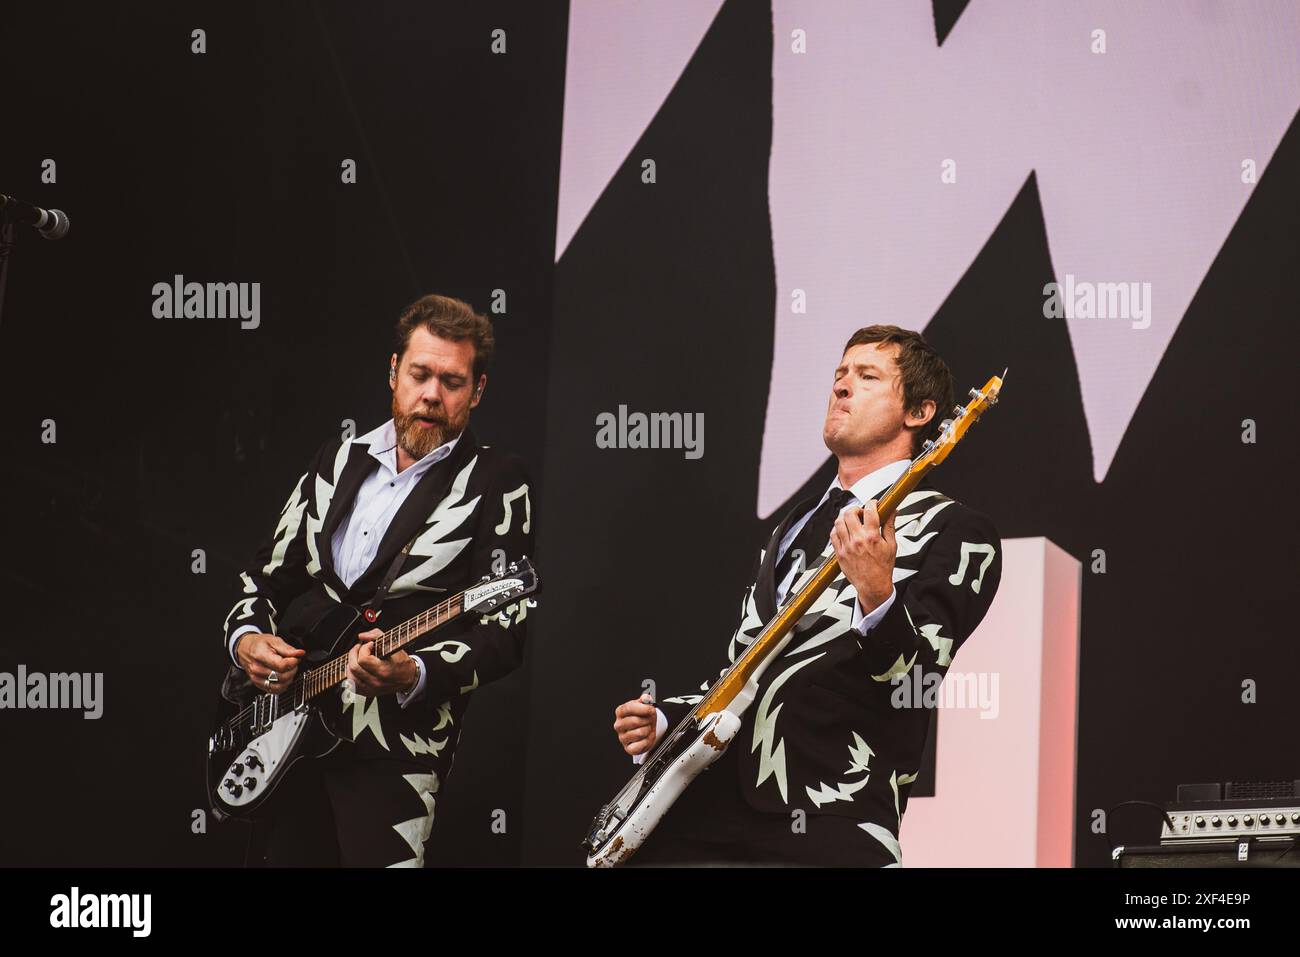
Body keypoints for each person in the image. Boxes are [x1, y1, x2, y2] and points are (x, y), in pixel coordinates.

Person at [612, 325, 1001, 866]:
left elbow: (915, 682)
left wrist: (876, 593)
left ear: (920, 413)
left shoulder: (955, 530)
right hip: (710, 811)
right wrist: (668, 723)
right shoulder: (790, 528)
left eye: (867, 377)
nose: (841, 387)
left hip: (831, 817)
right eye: (840, 374)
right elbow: (749, 665)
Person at [222, 293, 535, 867]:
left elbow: (503, 635)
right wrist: (247, 642)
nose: (432, 396)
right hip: (281, 727)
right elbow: (262, 580)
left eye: (453, 381)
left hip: (395, 747)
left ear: (478, 391)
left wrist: (412, 670)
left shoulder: (497, 480)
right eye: (420, 374)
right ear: (393, 371)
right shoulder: (336, 459)